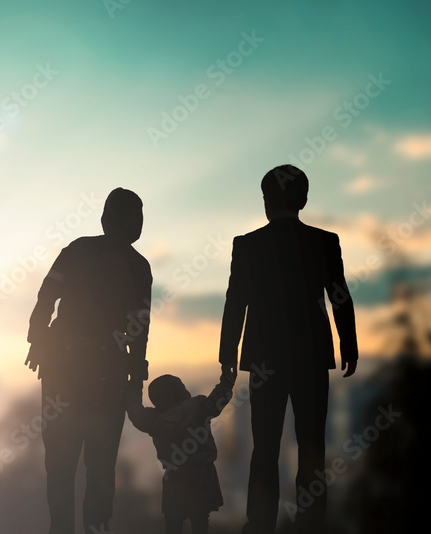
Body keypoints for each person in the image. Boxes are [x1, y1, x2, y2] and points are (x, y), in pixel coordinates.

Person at [218, 165, 358, 533]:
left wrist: (227, 358)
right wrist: (349, 342)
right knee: (312, 444)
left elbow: (236, 304)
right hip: (311, 355)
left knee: (264, 445)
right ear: (304, 199)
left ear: (266, 200)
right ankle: (312, 522)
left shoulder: (247, 245)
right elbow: (340, 297)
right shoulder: (323, 242)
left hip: (264, 358)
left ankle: (260, 523)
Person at [25, 187, 152, 534]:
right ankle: (87, 527)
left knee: (67, 464)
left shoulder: (80, 250)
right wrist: (134, 381)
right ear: (120, 222)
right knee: (95, 464)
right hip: (102, 373)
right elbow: (139, 328)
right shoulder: (137, 266)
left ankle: (64, 527)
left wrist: (38, 340)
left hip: (69, 369)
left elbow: (46, 297)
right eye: (136, 217)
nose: (140, 225)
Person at [126, 369, 235, 534]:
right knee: (200, 523)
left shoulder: (154, 418)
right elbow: (217, 401)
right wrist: (226, 382)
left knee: (173, 523)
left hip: (174, 476)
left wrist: (134, 385)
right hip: (201, 474)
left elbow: (135, 413)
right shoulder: (197, 406)